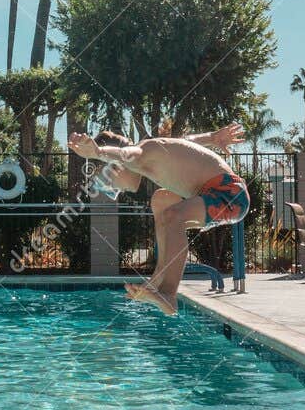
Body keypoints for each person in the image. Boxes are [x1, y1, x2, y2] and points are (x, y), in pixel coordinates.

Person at [69, 123, 248, 315]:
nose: (116, 189)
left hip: (230, 195)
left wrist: (98, 152)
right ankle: (156, 281)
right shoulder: (155, 150)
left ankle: (168, 293)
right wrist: (212, 137)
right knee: (161, 201)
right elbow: (186, 143)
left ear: (115, 167)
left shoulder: (141, 152)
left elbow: (125, 154)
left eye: (109, 181)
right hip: (213, 194)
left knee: (173, 216)